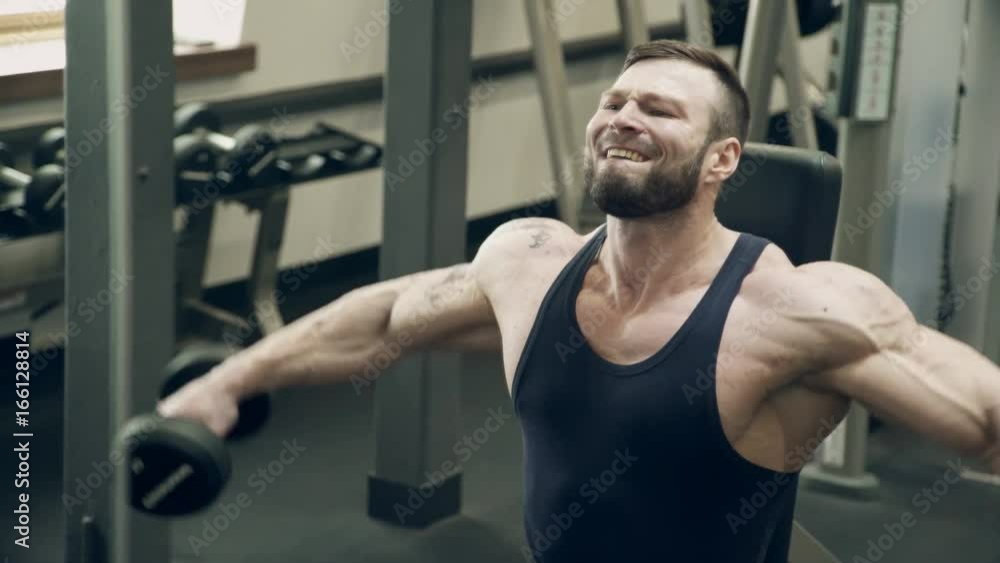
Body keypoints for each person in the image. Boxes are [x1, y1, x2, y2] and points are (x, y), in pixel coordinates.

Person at [158, 39, 1000, 562]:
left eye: (660, 110)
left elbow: (986, 419)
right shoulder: (529, 261)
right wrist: (232, 380)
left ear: (721, 161)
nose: (624, 118)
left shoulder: (799, 310)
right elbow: (384, 319)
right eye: (614, 102)